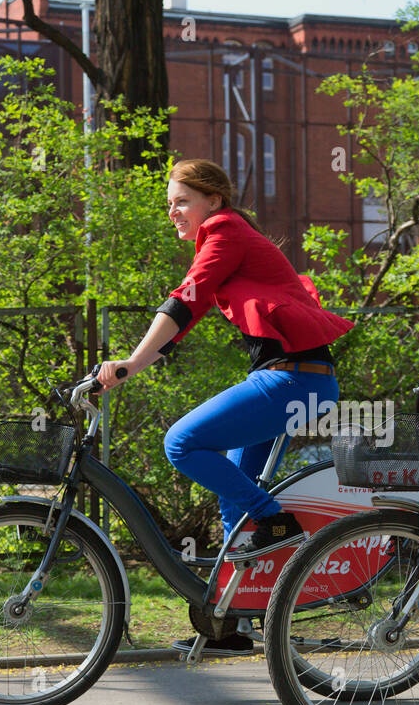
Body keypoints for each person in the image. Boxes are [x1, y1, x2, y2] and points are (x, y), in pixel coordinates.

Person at [96, 159, 353, 653]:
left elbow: (185, 299)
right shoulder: (226, 236)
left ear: (214, 200)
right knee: (235, 501)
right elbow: (186, 315)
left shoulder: (225, 229)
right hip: (291, 380)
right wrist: (136, 365)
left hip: (294, 380)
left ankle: (277, 522)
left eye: (182, 201)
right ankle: (232, 623)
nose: (173, 211)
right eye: (169, 204)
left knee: (182, 442)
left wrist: (129, 362)